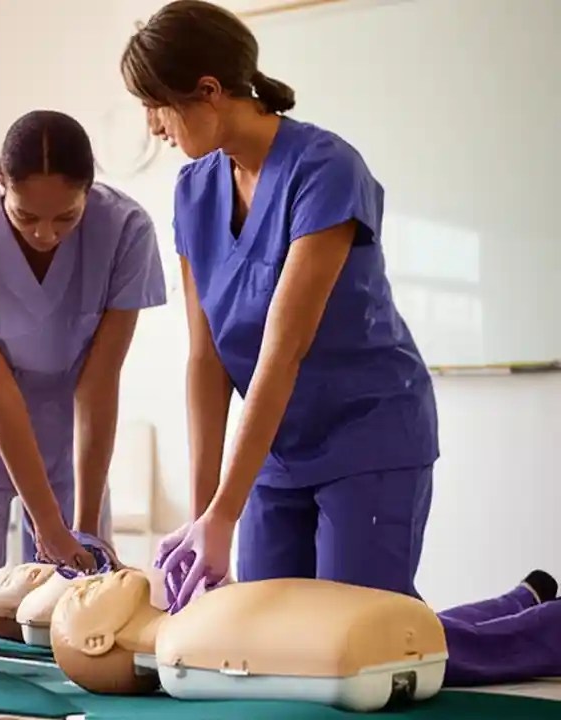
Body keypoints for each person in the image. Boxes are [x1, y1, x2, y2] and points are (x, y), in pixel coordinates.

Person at [118, 0, 440, 610]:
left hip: (367, 436)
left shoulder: (325, 170)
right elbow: (205, 359)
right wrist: (205, 514)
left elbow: (281, 355)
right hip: (272, 453)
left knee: (360, 642)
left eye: (156, 105)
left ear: (208, 91)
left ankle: (540, 628)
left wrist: (225, 512)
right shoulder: (193, 189)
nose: (154, 127)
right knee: (263, 639)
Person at [0, 110, 167, 592]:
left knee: (76, 593)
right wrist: (48, 525)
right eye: (26, 215)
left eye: (66, 217)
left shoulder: (126, 231)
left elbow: (99, 381)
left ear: (90, 191)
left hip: (68, 434)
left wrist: (85, 528)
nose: (45, 234)